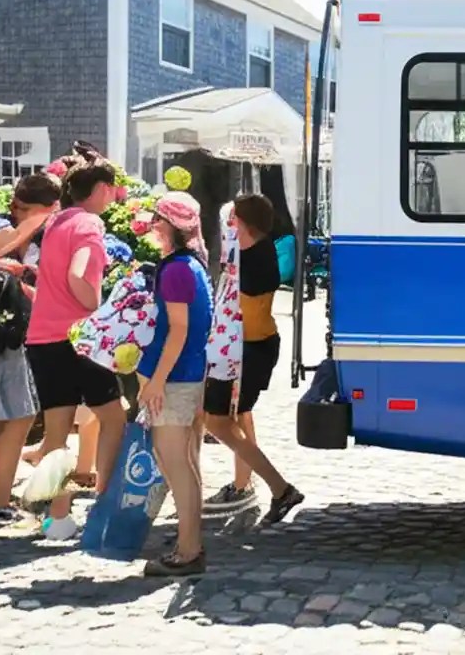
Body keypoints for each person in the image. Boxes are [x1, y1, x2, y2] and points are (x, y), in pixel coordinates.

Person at [23, 143, 124, 540]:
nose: (114, 196)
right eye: (111, 189)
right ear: (100, 189)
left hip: (43, 337)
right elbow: (79, 273)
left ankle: (57, 520)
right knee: (113, 418)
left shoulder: (58, 222)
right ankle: (104, 506)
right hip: (79, 339)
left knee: (56, 434)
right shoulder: (89, 224)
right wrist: (95, 306)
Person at [201, 193, 303, 526]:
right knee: (238, 416)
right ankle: (243, 485)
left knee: (217, 422)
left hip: (247, 349)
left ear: (241, 224)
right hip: (250, 346)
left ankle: (280, 488)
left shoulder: (252, 257)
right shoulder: (257, 251)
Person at [0, 173, 60, 524]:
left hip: (5, 334)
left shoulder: (10, 227)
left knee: (15, 415)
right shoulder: (1, 231)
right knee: (16, 415)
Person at [135, 192, 213, 576]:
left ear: (169, 226)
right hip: (185, 375)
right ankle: (189, 542)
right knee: (183, 462)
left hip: (176, 378)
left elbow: (178, 330)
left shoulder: (178, 270)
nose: (152, 225)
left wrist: (156, 382)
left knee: (176, 463)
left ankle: (188, 550)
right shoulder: (190, 264)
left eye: (157, 219)